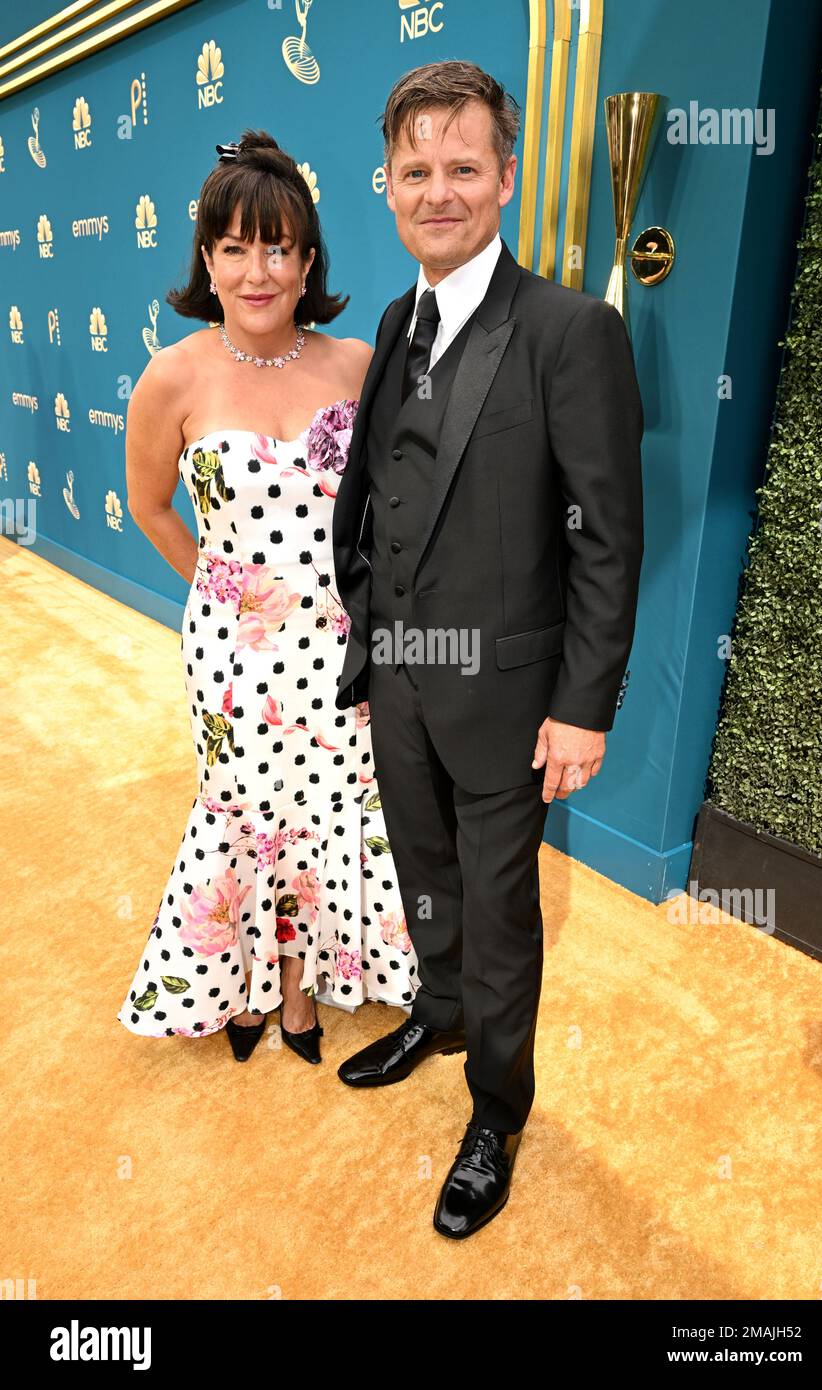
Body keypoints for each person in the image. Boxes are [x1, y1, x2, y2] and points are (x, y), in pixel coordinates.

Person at [331, 61, 645, 1237]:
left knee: (502, 906)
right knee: (426, 875)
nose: (440, 190)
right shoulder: (396, 319)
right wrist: (372, 637)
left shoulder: (572, 331)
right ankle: (441, 1005)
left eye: (464, 167)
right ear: (391, 187)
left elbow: (610, 537)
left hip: (513, 699)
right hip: (401, 684)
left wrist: (584, 705)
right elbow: (367, 500)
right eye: (417, 171)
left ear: (505, 177)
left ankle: (496, 1109)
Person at [117, 130, 419, 1064]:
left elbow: (392, 504)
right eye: (236, 248)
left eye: (278, 248)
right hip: (235, 654)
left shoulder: (355, 365)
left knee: (331, 806)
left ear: (307, 260)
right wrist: (222, 594)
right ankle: (240, 986)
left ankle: (299, 990)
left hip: (339, 645)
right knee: (247, 807)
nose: (258, 271)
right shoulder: (173, 375)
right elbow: (151, 505)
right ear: (207, 259)